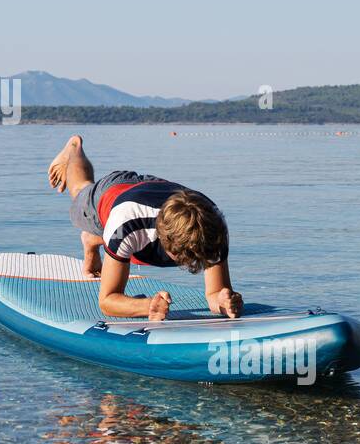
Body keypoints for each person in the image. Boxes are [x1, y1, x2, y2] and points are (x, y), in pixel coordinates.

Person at [47, 134, 243, 321]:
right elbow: (107, 300)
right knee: (80, 189)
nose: (194, 263)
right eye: (187, 258)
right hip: (111, 193)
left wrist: (223, 301)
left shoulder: (211, 227)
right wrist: (147, 305)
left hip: (155, 188)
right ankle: (74, 149)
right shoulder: (127, 223)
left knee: (123, 242)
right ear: (164, 240)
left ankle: (97, 240)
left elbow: (214, 293)